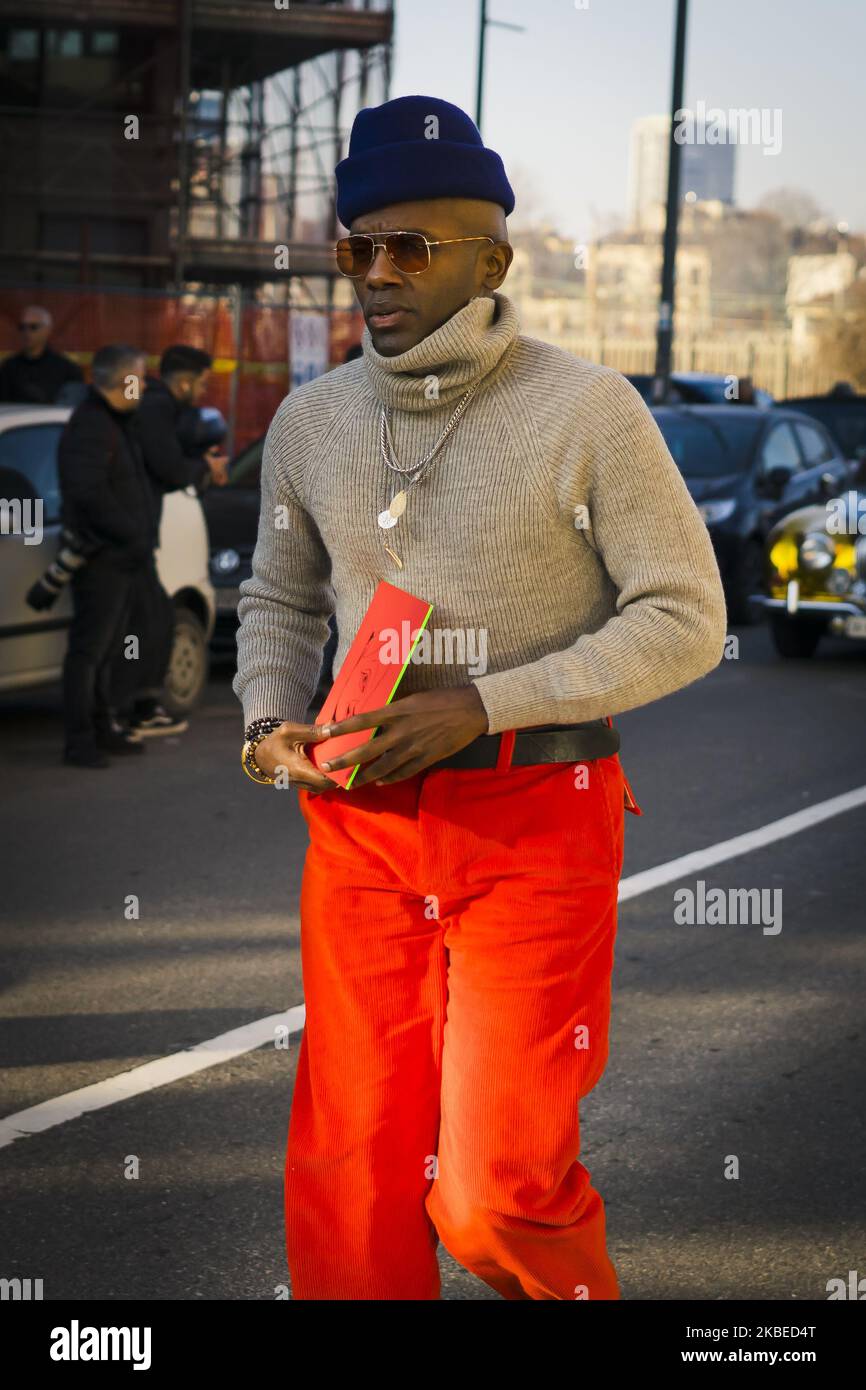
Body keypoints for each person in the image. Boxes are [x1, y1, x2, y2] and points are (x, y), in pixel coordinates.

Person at [233, 95, 728, 1300]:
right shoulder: (310, 420)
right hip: (357, 828)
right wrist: (265, 723)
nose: (376, 274)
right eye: (357, 246)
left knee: (495, 1183)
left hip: (536, 814)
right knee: (350, 1167)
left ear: (492, 260)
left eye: (412, 247)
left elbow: (686, 618)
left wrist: (488, 703)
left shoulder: (586, 407)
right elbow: (280, 604)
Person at [112, 344, 228, 737]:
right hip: (129, 536)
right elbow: (168, 465)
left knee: (149, 620)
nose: (202, 393)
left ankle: (133, 709)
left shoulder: (159, 409)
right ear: (182, 382)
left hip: (135, 534)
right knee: (146, 622)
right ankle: (129, 710)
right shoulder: (157, 408)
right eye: (202, 384)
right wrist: (203, 469)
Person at [58, 345, 154, 768]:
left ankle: (103, 727)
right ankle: (80, 740)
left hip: (122, 558)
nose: (145, 385)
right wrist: (131, 534)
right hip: (102, 560)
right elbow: (88, 493)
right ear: (122, 381)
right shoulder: (92, 425)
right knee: (88, 652)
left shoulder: (115, 422)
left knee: (112, 649)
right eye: (140, 377)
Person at [0, 306, 83, 404]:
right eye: (22, 327)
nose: (27, 332)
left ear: (48, 330)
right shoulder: (8, 368)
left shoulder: (67, 370)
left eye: (33, 327)